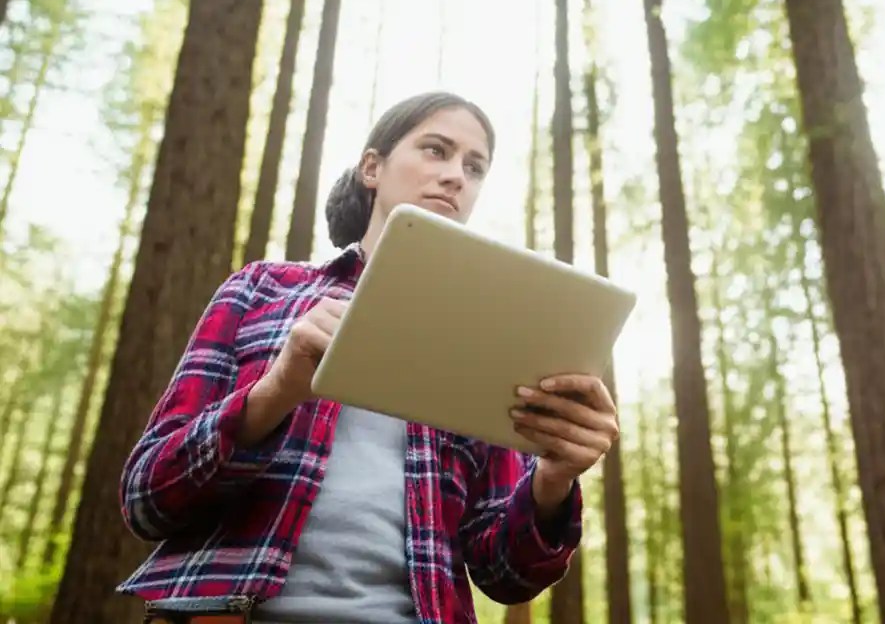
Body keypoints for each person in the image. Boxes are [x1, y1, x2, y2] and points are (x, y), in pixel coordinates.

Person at [117, 92, 619, 623]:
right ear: (372, 167)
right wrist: (277, 390)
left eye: (474, 167)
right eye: (435, 150)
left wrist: (553, 480)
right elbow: (146, 497)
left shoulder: (489, 340)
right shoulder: (259, 289)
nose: (455, 176)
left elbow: (506, 575)